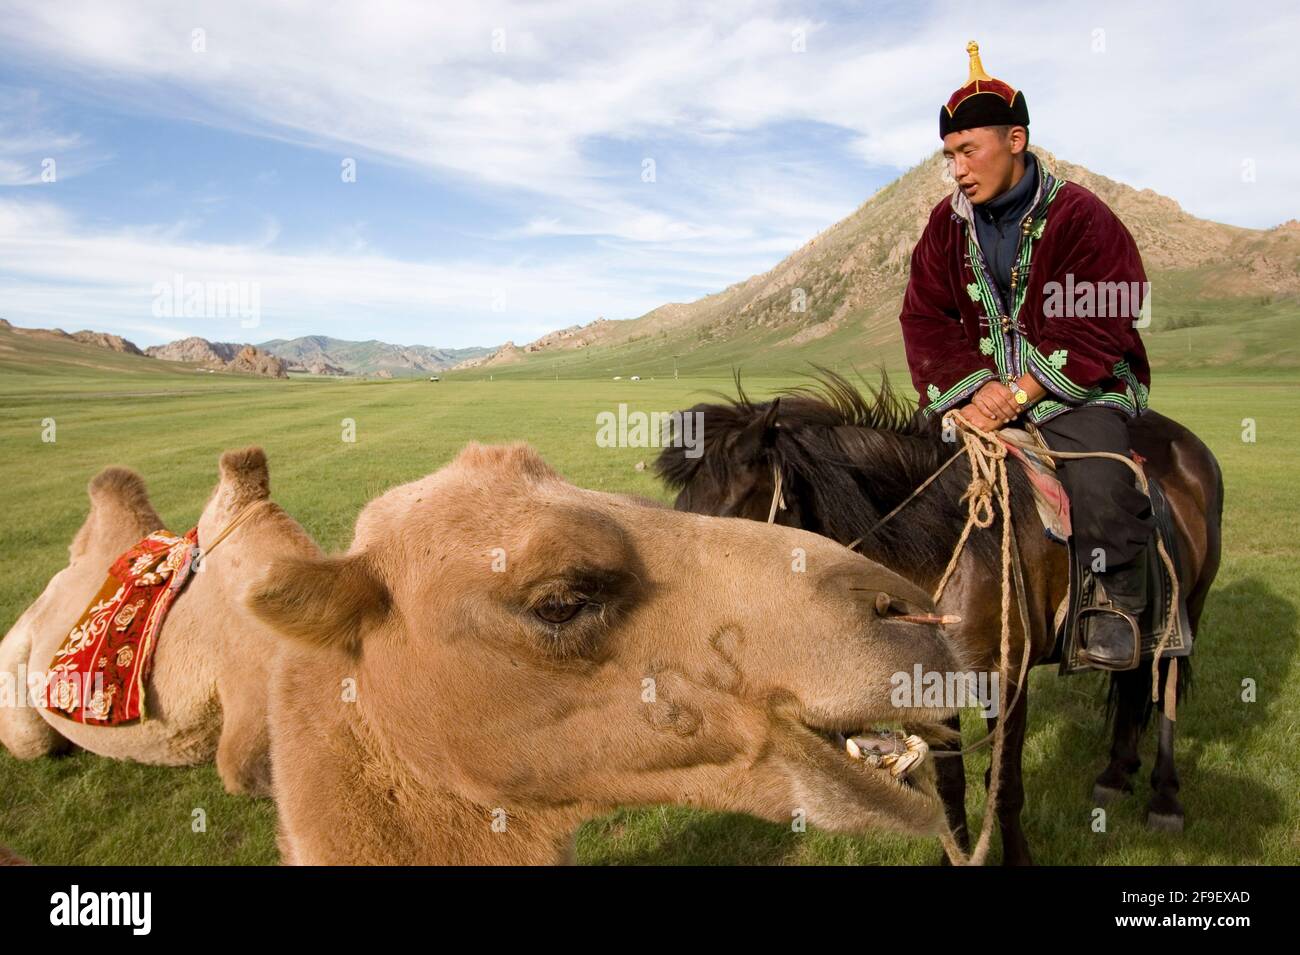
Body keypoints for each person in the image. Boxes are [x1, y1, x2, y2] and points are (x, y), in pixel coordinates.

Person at [898, 41, 1155, 670]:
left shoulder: (1081, 217)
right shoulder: (945, 225)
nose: (957, 170)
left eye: (968, 150)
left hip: (1078, 388)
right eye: (948, 156)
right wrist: (971, 388)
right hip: (976, 395)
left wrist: (1019, 392)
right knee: (908, 477)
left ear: (1015, 140)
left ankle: (1113, 604)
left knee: (1098, 477)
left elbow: (1102, 315)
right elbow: (925, 317)